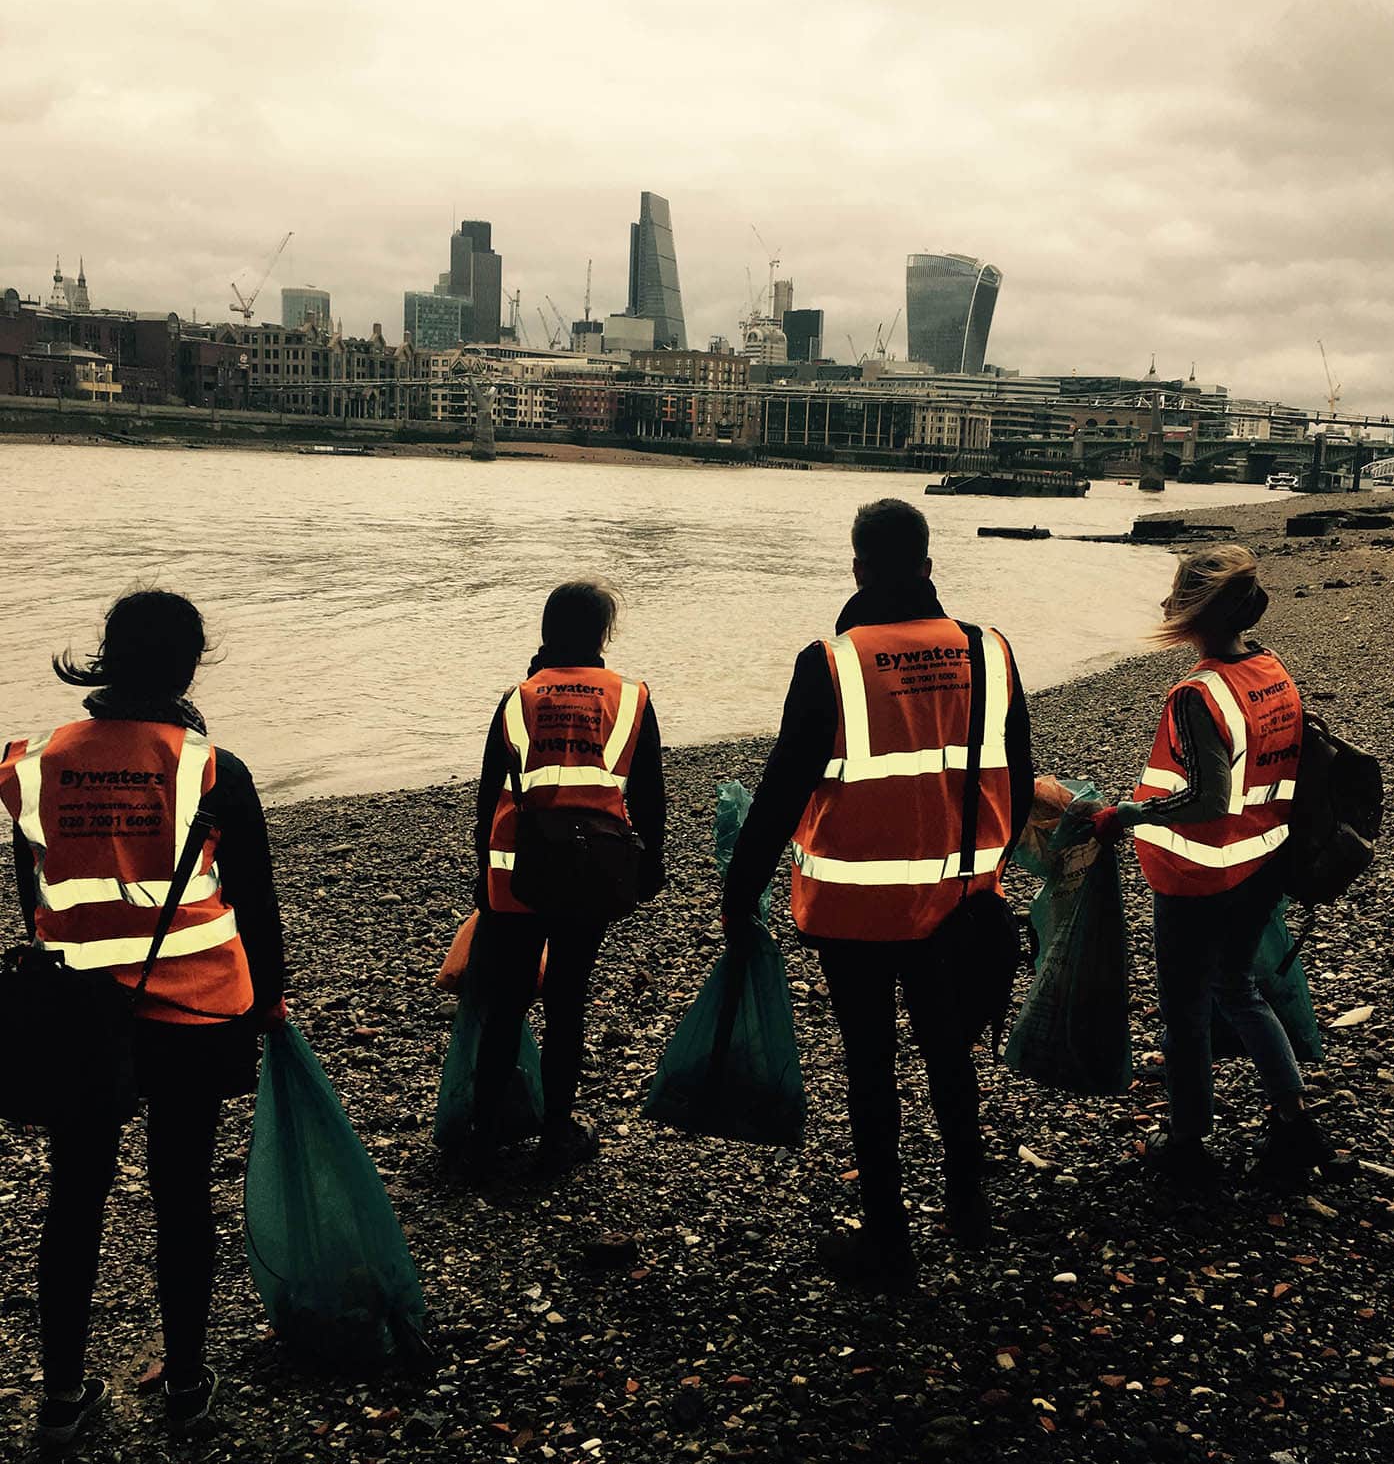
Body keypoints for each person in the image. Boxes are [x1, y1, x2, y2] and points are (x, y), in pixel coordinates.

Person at [722, 499, 1033, 1291]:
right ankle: (968, 1208)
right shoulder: (988, 651)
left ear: (857, 568)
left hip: (855, 913)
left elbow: (782, 790)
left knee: (871, 1065)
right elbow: (1020, 779)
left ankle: (888, 1239)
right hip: (962, 903)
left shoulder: (831, 663)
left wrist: (740, 886)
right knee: (948, 1053)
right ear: (928, 566)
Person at [0, 589, 286, 1445]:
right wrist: (267, 1001)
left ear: (104, 657)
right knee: (181, 1194)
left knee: (76, 1194)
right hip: (196, 1009)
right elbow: (257, 904)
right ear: (189, 664)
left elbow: (37, 901)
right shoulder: (211, 767)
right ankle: (189, 1385)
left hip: (79, 1013)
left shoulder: (34, 764)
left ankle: (59, 1396)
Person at [1084, 544, 1337, 1188]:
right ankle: (1294, 1120)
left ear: (1196, 611)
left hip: (1199, 880)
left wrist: (1127, 816)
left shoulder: (1197, 694)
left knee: (1187, 1012)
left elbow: (1207, 798)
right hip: (1262, 865)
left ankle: (1189, 1142)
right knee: (1240, 990)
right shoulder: (1272, 671)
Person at [471, 580, 665, 1174]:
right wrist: (650, 863)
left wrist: (481, 877)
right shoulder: (630, 698)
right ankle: (557, 1128)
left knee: (506, 1004)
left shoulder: (517, 698)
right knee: (567, 1000)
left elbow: (486, 799)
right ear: (603, 634)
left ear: (545, 631)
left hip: (517, 873)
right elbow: (651, 791)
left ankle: (484, 1136)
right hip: (593, 872)